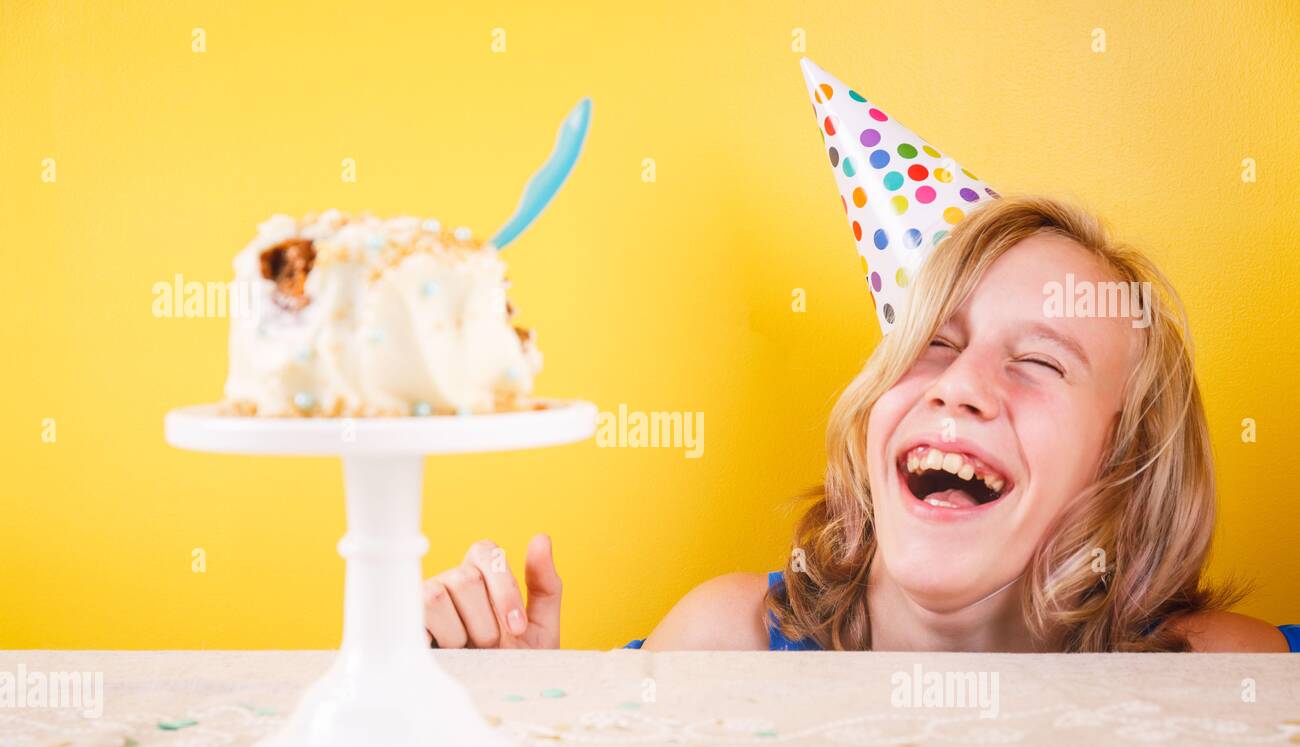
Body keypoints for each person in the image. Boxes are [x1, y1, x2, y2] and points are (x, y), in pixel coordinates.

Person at [421, 197, 1298, 653]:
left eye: (1037, 363)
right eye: (933, 343)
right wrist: (523, 714)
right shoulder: (726, 645)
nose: (960, 386)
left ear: (1125, 467)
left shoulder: (1228, 680)